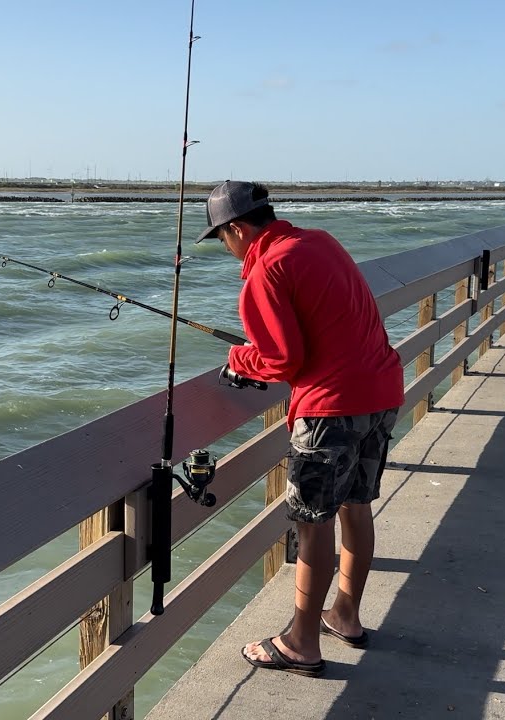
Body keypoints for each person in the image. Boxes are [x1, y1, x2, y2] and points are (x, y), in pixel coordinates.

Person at [196, 180, 404, 678]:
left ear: (239, 230)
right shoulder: (320, 242)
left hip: (331, 409)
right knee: (356, 506)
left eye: (222, 238)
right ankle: (346, 615)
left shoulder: (266, 272)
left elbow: (283, 359)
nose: (226, 249)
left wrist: (239, 359)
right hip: (380, 392)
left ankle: (301, 643)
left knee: (312, 524)